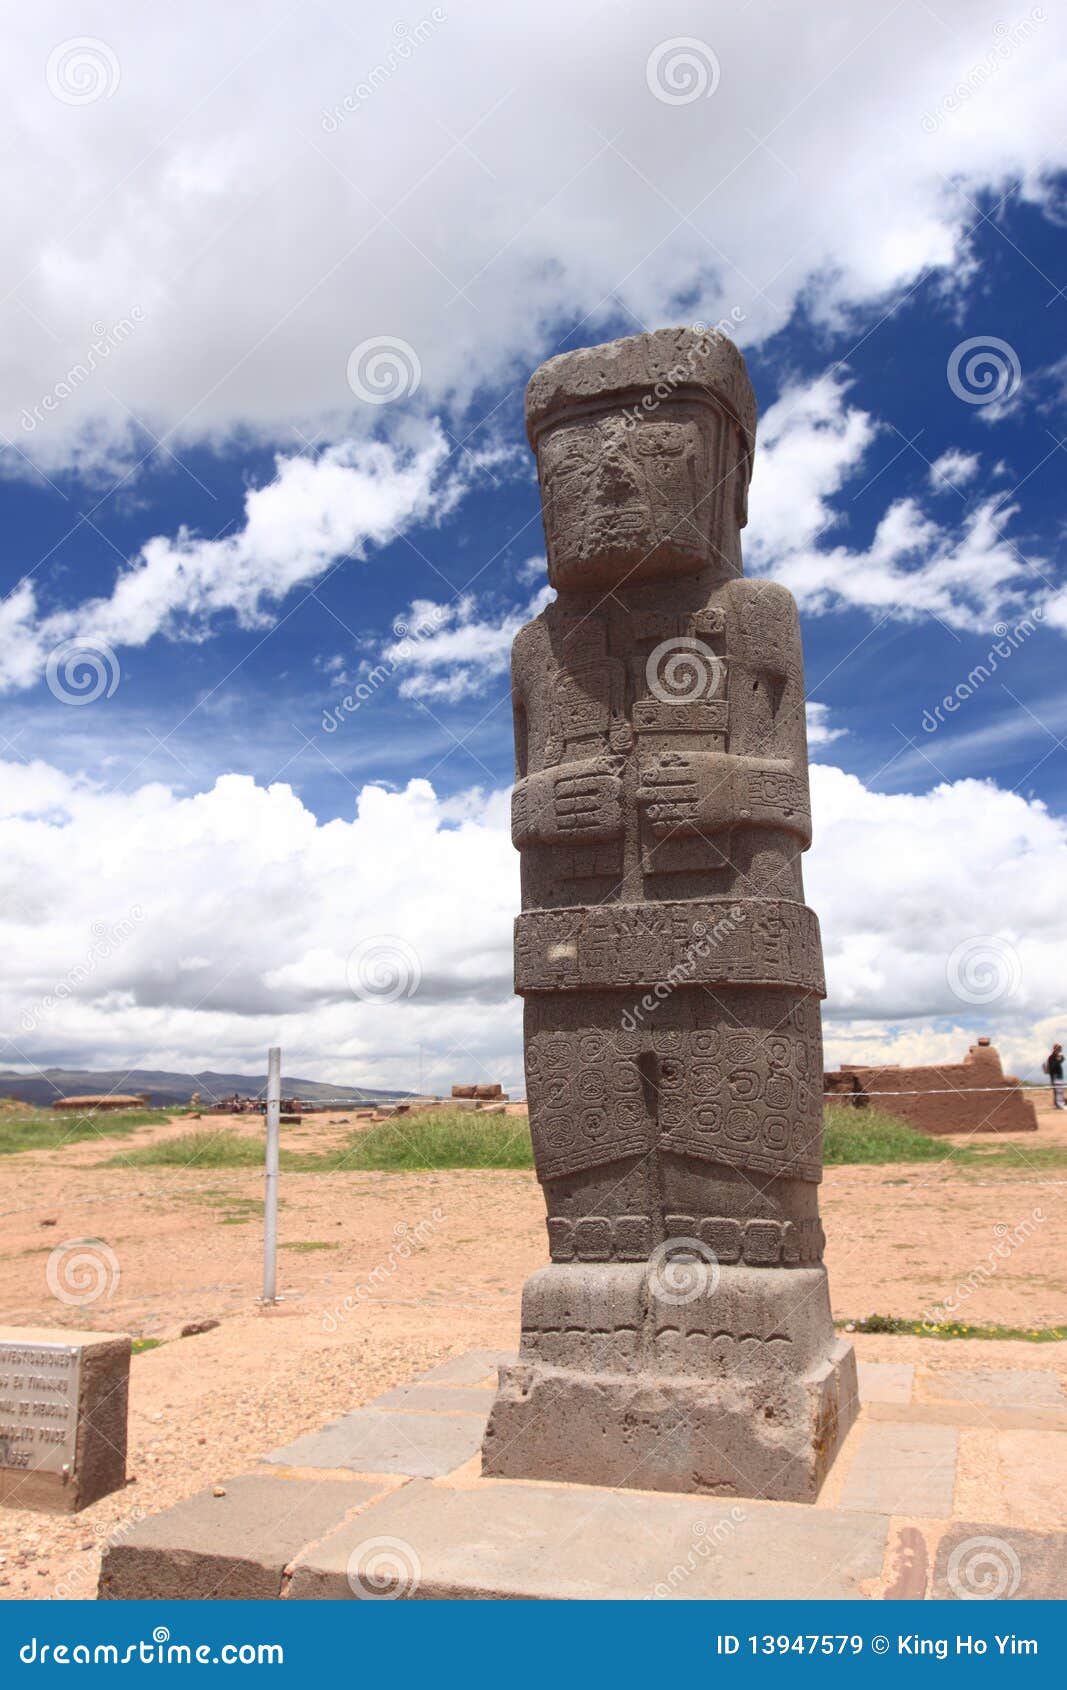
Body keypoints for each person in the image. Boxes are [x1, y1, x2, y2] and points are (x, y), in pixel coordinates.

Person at [1046, 1043, 1065, 1109]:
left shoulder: (1058, 1056)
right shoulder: (1051, 1057)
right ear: (1055, 1049)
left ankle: (1058, 1104)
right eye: (1058, 1049)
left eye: (1060, 1049)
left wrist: (1060, 1059)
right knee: (1057, 1091)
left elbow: (1062, 1059)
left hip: (1059, 1077)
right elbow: (1052, 1068)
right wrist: (1057, 1060)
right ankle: (1058, 1105)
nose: (1059, 1050)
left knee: (1060, 1091)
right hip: (1055, 1077)